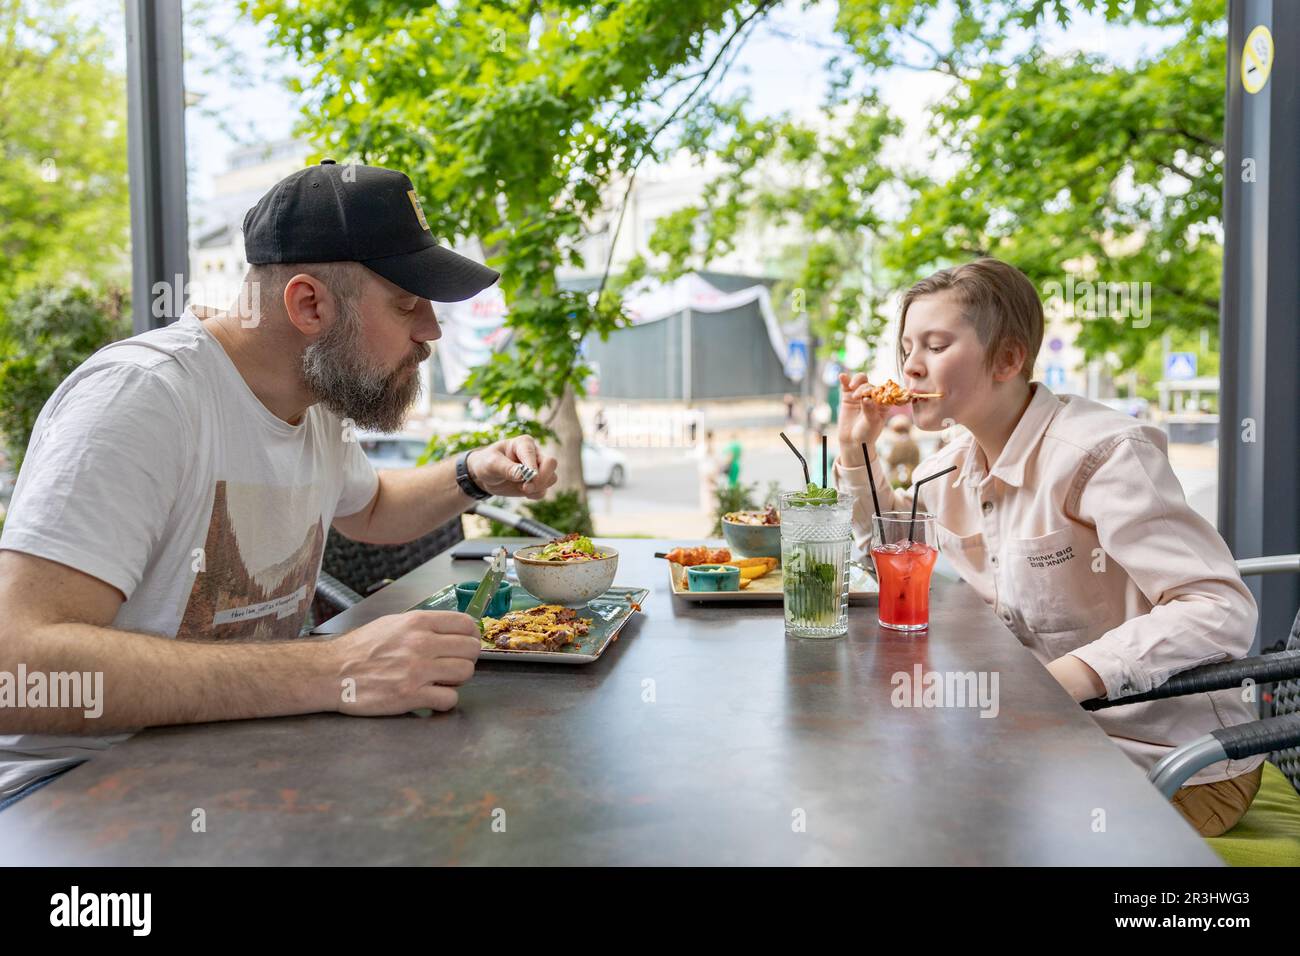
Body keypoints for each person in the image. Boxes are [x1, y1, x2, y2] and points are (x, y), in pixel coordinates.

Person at [0, 161, 560, 803]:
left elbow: (372, 508)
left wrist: (473, 473)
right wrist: (335, 668)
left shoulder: (315, 402)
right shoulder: (143, 398)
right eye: (407, 302)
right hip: (71, 794)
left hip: (242, 765)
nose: (431, 331)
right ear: (308, 304)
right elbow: (19, 667)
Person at [834, 257, 1262, 837]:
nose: (910, 366)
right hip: (1039, 734)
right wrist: (857, 450)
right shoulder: (946, 470)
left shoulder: (1102, 454)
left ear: (1008, 359)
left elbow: (1218, 606)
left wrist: (1067, 680)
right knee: (875, 774)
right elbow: (890, 564)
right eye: (906, 347)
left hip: (1173, 763)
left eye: (935, 346)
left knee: (928, 817)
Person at [883, 415, 921, 487]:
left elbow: (891, 460)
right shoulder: (913, 444)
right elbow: (917, 460)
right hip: (911, 476)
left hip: (897, 477)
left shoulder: (897, 444)